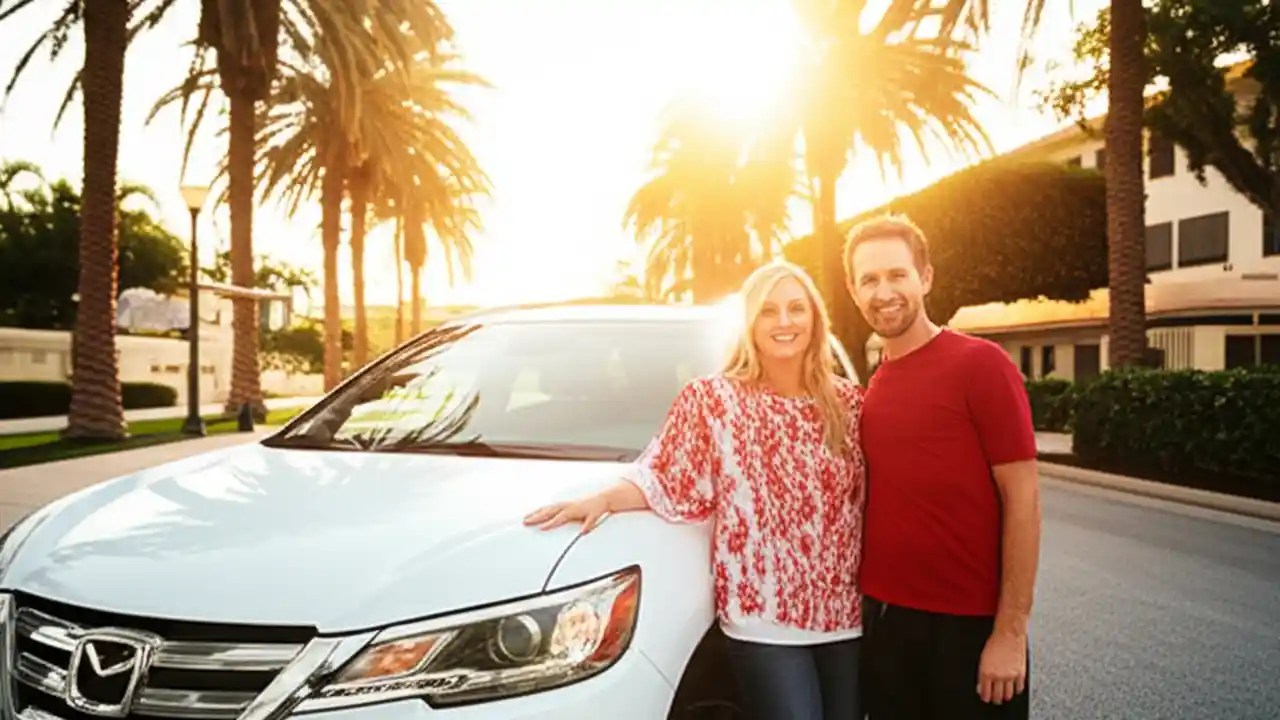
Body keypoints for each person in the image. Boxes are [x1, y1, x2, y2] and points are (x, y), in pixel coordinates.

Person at [524, 261, 866, 720]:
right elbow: (665, 475)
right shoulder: (712, 400)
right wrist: (603, 500)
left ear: (814, 318)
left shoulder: (850, 404)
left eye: (795, 308)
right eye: (768, 311)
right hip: (763, 620)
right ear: (749, 322)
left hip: (845, 615)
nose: (784, 322)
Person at [843, 214, 1041, 719]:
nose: (884, 292)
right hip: (886, 632)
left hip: (970, 635)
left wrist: (1010, 633)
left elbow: (1024, 501)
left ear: (925, 278)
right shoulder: (874, 388)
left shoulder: (981, 366)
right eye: (869, 279)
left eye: (897, 275)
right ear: (852, 290)